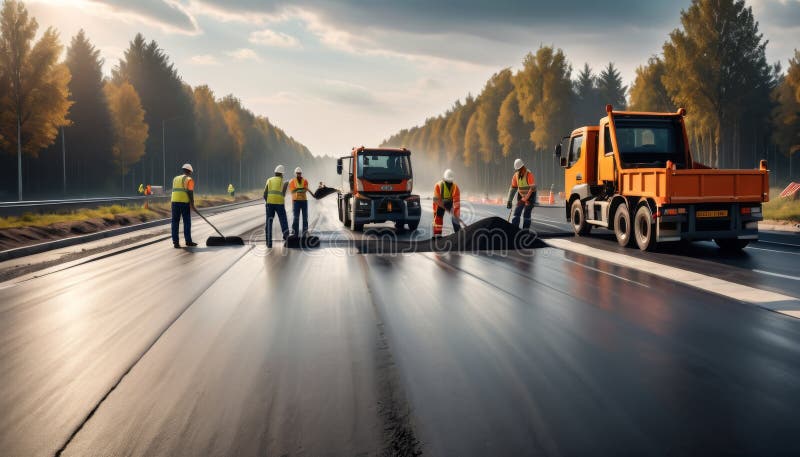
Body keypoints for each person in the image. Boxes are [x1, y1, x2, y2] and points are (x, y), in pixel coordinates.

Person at [171, 164, 198, 248]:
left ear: (183, 170)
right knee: (187, 222)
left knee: (175, 222)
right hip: (184, 203)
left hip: (174, 202)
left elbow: (175, 190)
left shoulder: (175, 178)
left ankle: (175, 242)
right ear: (190, 171)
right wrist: (192, 204)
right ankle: (188, 241)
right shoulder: (189, 180)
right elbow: (190, 192)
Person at [506, 158, 536, 230]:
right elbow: (513, 189)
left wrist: (525, 199)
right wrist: (509, 200)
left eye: (520, 169)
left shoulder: (529, 175)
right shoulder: (516, 176)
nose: (519, 171)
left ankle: (525, 232)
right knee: (517, 212)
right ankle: (514, 230)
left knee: (526, 214)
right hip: (521, 195)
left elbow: (532, 189)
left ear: (523, 167)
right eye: (517, 170)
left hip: (531, 196)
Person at [264, 164, 289, 248]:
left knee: (269, 222)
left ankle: (269, 243)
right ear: (282, 174)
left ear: (275, 172)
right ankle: (287, 238)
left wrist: (267, 202)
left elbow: (265, 194)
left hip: (270, 203)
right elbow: (283, 194)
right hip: (279, 204)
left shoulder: (269, 180)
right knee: (283, 220)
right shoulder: (283, 182)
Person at [433, 169, 461, 237]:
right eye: (448, 181)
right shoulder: (438, 185)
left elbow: (456, 201)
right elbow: (436, 199)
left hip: (449, 203)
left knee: (455, 218)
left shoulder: (455, 187)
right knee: (438, 216)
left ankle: (459, 233)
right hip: (440, 203)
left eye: (450, 181)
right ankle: (437, 234)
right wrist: (436, 212)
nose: (449, 182)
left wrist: (456, 213)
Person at [289, 167, 310, 236]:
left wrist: (297, 189)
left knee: (305, 217)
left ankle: (305, 231)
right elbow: (292, 191)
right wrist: (301, 189)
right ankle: (295, 232)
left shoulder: (305, 181)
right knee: (296, 217)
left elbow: (305, 190)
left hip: (303, 201)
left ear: (301, 173)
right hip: (296, 201)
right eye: (298, 173)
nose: (299, 174)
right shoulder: (292, 181)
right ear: (295, 174)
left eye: (300, 173)